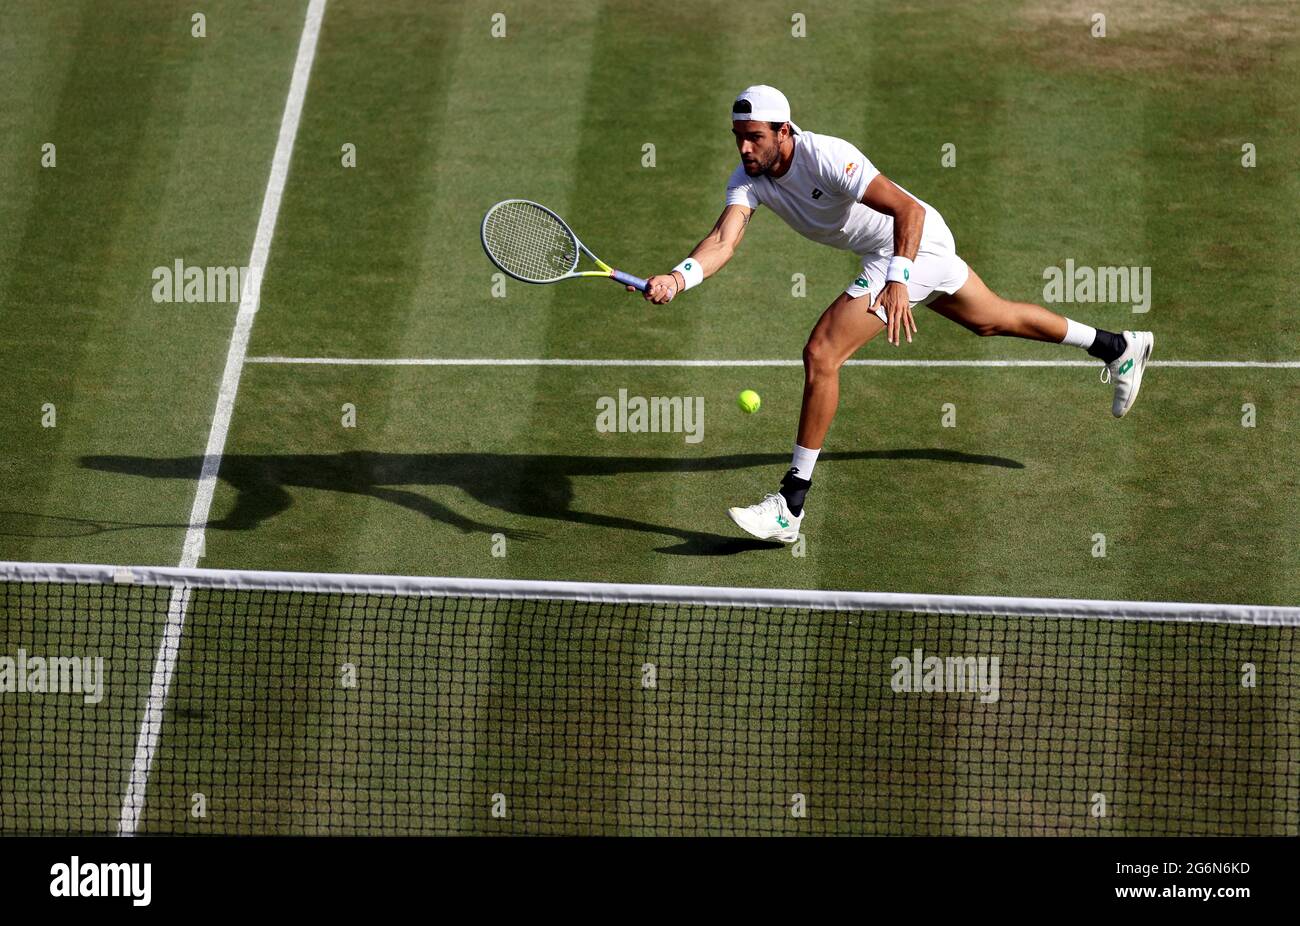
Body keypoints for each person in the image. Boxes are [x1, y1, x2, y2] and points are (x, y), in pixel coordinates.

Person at [632, 85, 1153, 543]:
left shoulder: (827, 155)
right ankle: (1116, 346)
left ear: (784, 131)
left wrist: (899, 278)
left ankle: (790, 505)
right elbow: (724, 239)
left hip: (911, 247)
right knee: (992, 318)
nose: (745, 147)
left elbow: (910, 211)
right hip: (896, 254)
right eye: (738, 137)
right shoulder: (748, 178)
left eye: (755, 137)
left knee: (822, 353)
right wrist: (680, 277)